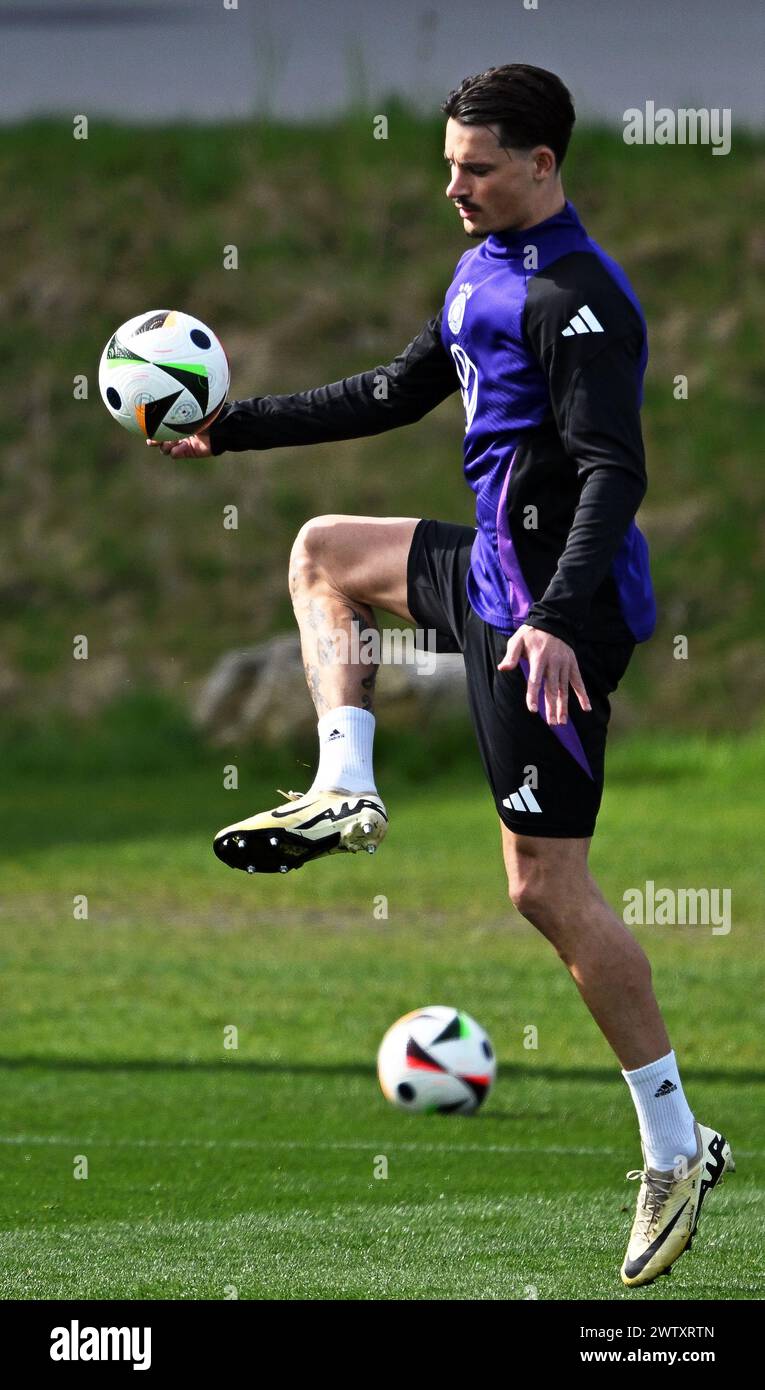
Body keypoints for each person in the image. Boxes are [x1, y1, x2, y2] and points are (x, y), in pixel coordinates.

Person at [150, 64, 733, 1287]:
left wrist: (564, 617)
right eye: (449, 163)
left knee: (545, 890)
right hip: (487, 581)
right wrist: (236, 424)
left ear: (542, 165)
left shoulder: (580, 296)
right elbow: (393, 390)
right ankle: (345, 784)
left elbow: (611, 469)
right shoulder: (481, 271)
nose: (453, 186)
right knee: (321, 554)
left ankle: (678, 1147)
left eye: (476, 167)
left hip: (551, 626)